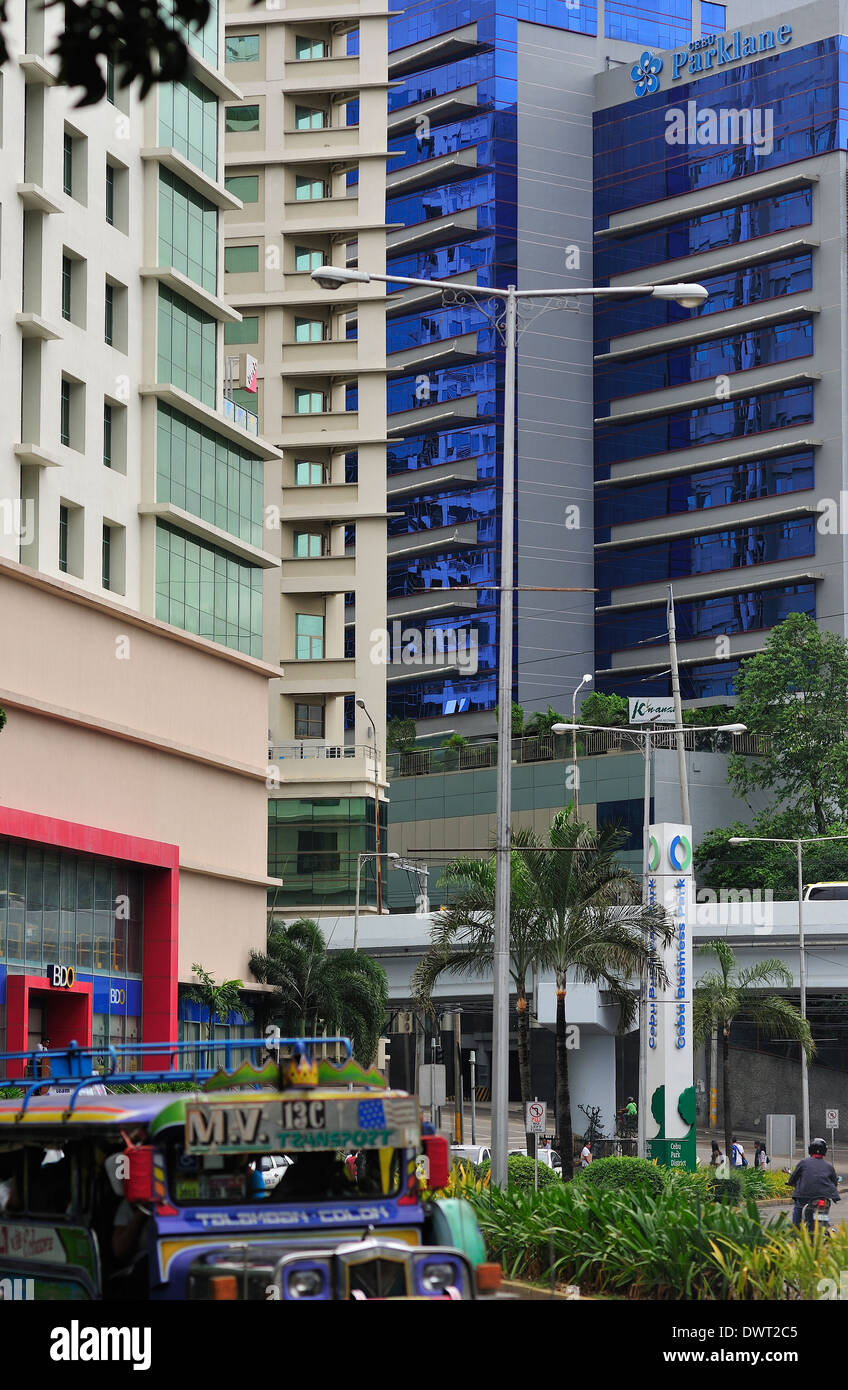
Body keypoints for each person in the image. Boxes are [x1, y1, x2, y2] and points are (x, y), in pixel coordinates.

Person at [788, 1138, 840, 1227]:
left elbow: (793, 1178)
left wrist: (791, 1183)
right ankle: (827, 1228)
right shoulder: (828, 1166)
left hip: (804, 1196)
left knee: (798, 1211)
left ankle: (796, 1230)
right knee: (823, 1214)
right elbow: (834, 1182)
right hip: (824, 1197)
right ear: (824, 1151)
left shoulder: (803, 1163)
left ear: (810, 1150)